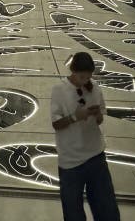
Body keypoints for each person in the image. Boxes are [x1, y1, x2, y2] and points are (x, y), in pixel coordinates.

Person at [50, 52, 120, 221]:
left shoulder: (94, 87)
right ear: (73, 71)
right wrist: (75, 117)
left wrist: (97, 115)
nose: (85, 81)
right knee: (73, 211)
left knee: (107, 209)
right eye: (82, 77)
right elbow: (56, 124)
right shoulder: (59, 90)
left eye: (88, 77)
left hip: (95, 155)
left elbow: (101, 117)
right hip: (71, 161)